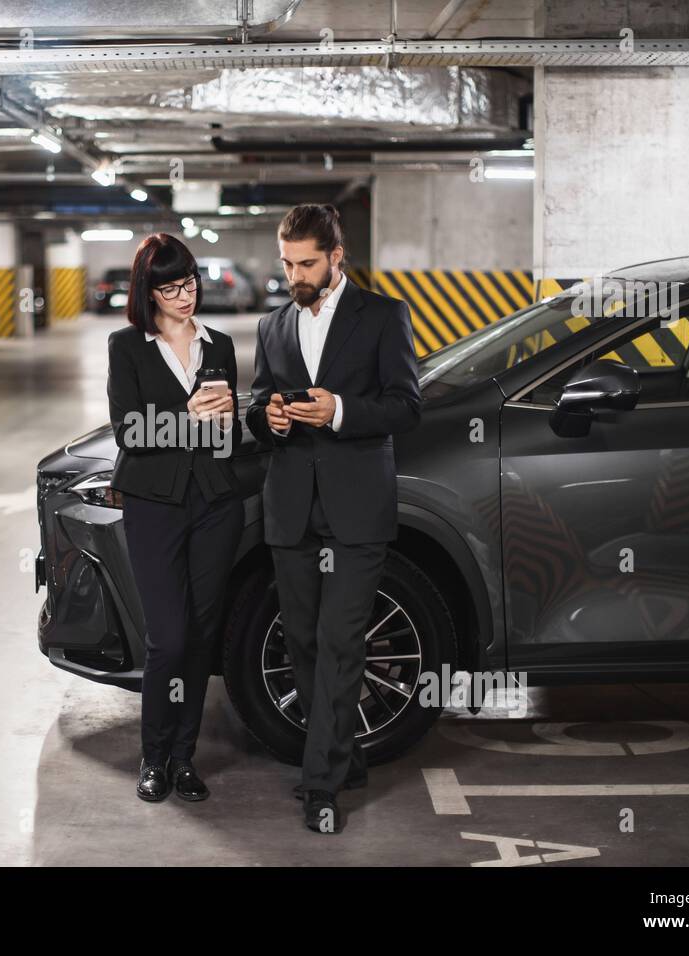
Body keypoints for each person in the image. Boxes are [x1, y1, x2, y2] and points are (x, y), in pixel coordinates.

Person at [246, 204, 422, 833]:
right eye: (287, 262)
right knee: (302, 642)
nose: (295, 274)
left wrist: (341, 412)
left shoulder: (383, 316)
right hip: (290, 507)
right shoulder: (272, 326)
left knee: (343, 640)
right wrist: (265, 419)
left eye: (307, 263)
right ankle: (341, 759)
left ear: (337, 257)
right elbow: (258, 402)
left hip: (357, 509)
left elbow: (405, 406)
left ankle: (320, 785)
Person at [106, 233, 245, 803]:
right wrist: (188, 413)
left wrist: (232, 414)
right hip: (154, 505)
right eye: (170, 287)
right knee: (168, 638)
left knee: (202, 637)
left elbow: (225, 438)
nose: (185, 296)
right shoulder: (127, 346)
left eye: (189, 283)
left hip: (215, 504)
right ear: (149, 292)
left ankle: (185, 759)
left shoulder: (220, 345)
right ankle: (153, 757)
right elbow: (129, 433)